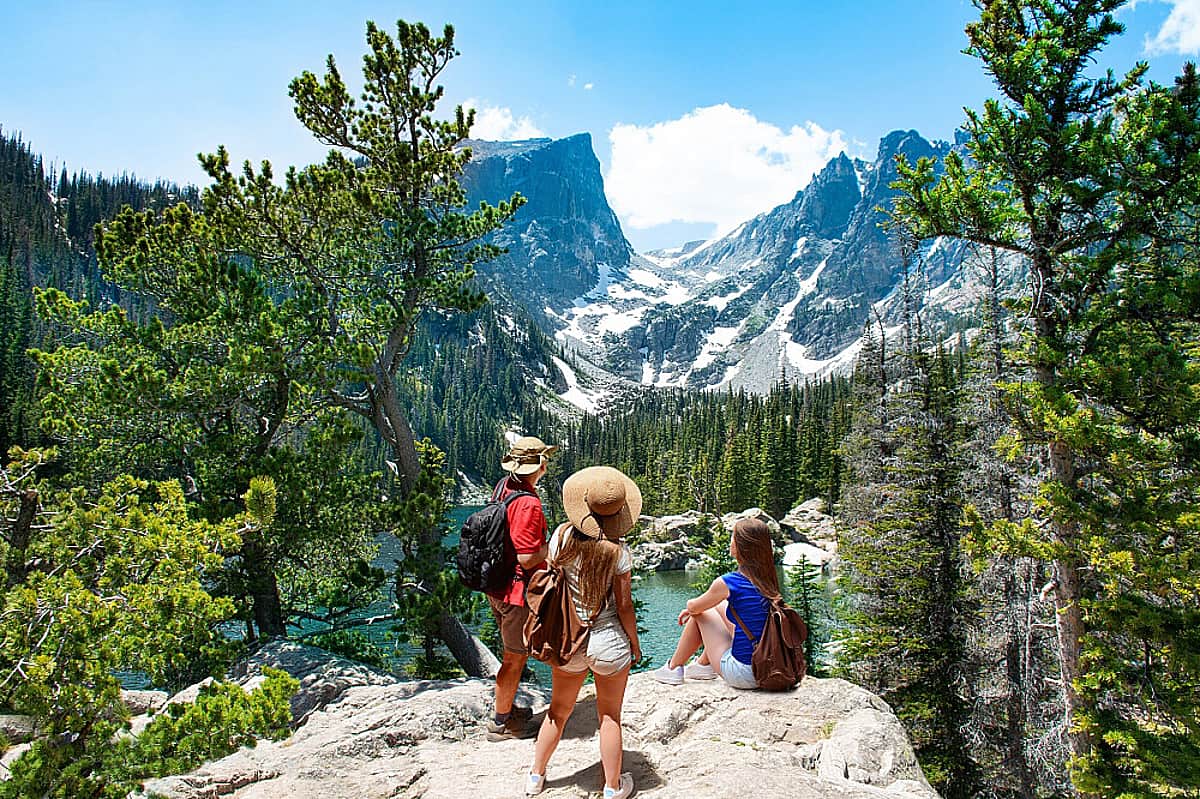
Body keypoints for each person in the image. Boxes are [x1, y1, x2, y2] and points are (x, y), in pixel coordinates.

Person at [523, 466, 642, 799]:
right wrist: (634, 644)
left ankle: (536, 776)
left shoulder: (562, 535)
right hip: (609, 644)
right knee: (609, 716)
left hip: (568, 641)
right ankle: (613, 786)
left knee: (558, 712)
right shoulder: (619, 553)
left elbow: (551, 575)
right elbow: (624, 607)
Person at [485, 435, 558, 741]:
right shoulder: (528, 503)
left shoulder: (504, 486)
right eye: (546, 459)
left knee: (513, 654)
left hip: (496, 585)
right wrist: (551, 549)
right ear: (540, 464)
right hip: (516, 593)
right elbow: (528, 557)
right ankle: (501, 723)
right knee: (514, 658)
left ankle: (507, 708)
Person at [651, 518, 778, 690]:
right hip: (770, 668)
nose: (730, 542)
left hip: (744, 674)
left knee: (700, 613)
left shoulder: (730, 582)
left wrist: (690, 608)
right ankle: (703, 665)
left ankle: (673, 667)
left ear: (741, 546)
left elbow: (694, 607)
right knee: (717, 607)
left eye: (733, 537)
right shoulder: (768, 579)